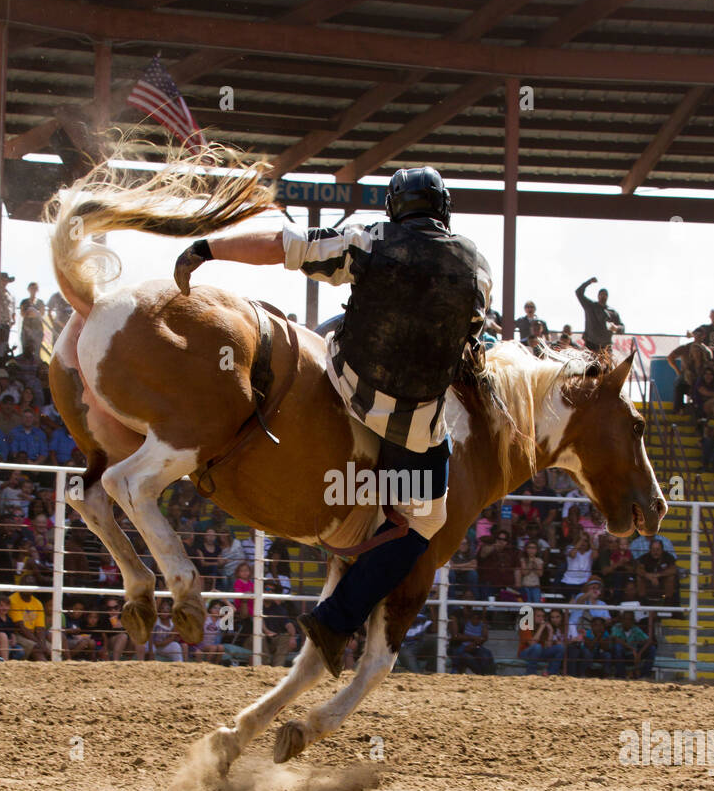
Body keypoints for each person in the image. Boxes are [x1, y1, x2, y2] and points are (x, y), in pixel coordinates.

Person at [174, 164, 492, 677]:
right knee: (428, 520)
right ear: (444, 209)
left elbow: (285, 244)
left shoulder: (369, 240)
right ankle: (337, 618)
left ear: (395, 206)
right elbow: (472, 332)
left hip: (347, 383)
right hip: (413, 422)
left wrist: (208, 249)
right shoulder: (478, 267)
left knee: (329, 329)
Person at [574, 277, 624, 354]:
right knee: (588, 365)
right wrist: (589, 282)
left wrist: (617, 328)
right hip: (590, 345)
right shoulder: (590, 306)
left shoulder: (613, 312)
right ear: (598, 296)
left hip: (605, 347)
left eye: (605, 294)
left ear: (607, 297)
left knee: (608, 365)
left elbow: (622, 328)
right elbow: (578, 292)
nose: (603, 296)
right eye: (601, 294)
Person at [610, 609, 654, 680]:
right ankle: (621, 676)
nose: (627, 621)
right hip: (621, 654)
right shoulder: (616, 627)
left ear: (633, 621)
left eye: (629, 619)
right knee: (618, 647)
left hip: (633, 655)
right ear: (622, 620)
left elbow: (649, 641)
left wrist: (640, 653)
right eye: (625, 619)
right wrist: (631, 648)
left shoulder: (635, 629)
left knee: (652, 649)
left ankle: (645, 676)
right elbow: (616, 639)